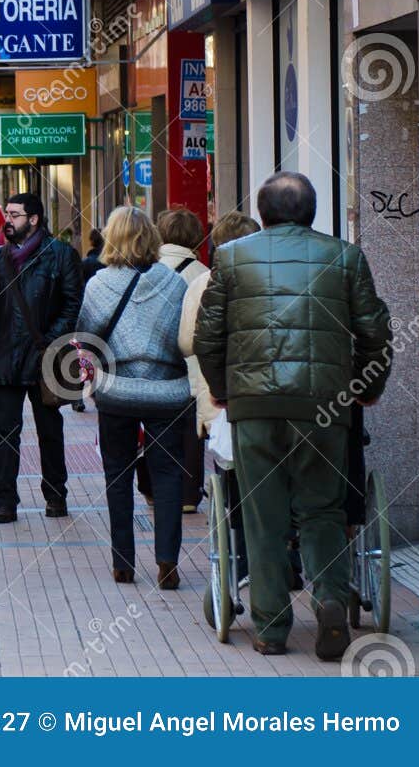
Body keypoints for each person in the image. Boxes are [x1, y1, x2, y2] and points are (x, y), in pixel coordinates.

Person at [194, 172, 392, 660]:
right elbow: (375, 332)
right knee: (322, 508)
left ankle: (271, 628)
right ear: (312, 212)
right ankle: (329, 598)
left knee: (263, 515)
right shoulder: (344, 257)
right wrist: (366, 389)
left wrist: (223, 391)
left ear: (261, 214)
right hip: (324, 406)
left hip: (256, 405)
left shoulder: (232, 257)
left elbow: (208, 335)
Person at [76, 207, 193, 589]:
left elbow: (87, 338)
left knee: (118, 474)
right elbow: (184, 339)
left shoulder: (98, 284)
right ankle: (167, 562)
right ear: (151, 238)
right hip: (168, 392)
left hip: (117, 392)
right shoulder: (175, 284)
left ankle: (123, 563)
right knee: (168, 476)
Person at [0, 192, 83, 523]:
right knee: (5, 433)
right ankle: (5, 501)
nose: (8, 220)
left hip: (45, 358)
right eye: (7, 213)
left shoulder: (60, 255)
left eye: (15, 214)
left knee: (50, 430)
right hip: (5, 360)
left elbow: (73, 302)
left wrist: (49, 339)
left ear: (34, 219)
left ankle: (56, 496)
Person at [178, 210, 261, 585]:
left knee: (236, 482)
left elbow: (186, 343)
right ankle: (289, 555)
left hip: (226, 399)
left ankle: (243, 561)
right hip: (285, 401)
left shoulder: (206, 284)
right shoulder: (273, 281)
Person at [155, 207, 209, 512]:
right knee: (191, 432)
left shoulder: (147, 269)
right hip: (192, 367)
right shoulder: (203, 272)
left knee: (157, 428)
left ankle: (156, 488)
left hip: (157, 363)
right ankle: (188, 494)